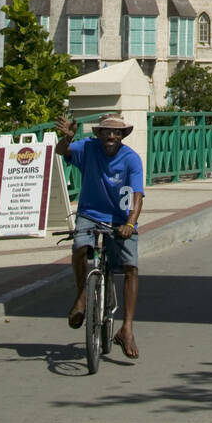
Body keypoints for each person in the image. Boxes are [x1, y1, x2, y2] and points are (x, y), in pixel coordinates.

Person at [54, 112, 144, 360]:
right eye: (106, 132)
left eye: (117, 132)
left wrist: (130, 223)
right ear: (99, 134)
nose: (111, 136)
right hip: (90, 214)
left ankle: (126, 329)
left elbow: (137, 195)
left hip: (120, 219)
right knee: (81, 248)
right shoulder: (88, 148)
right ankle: (83, 296)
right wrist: (66, 138)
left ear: (123, 135)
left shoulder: (131, 159)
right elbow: (63, 151)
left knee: (130, 268)